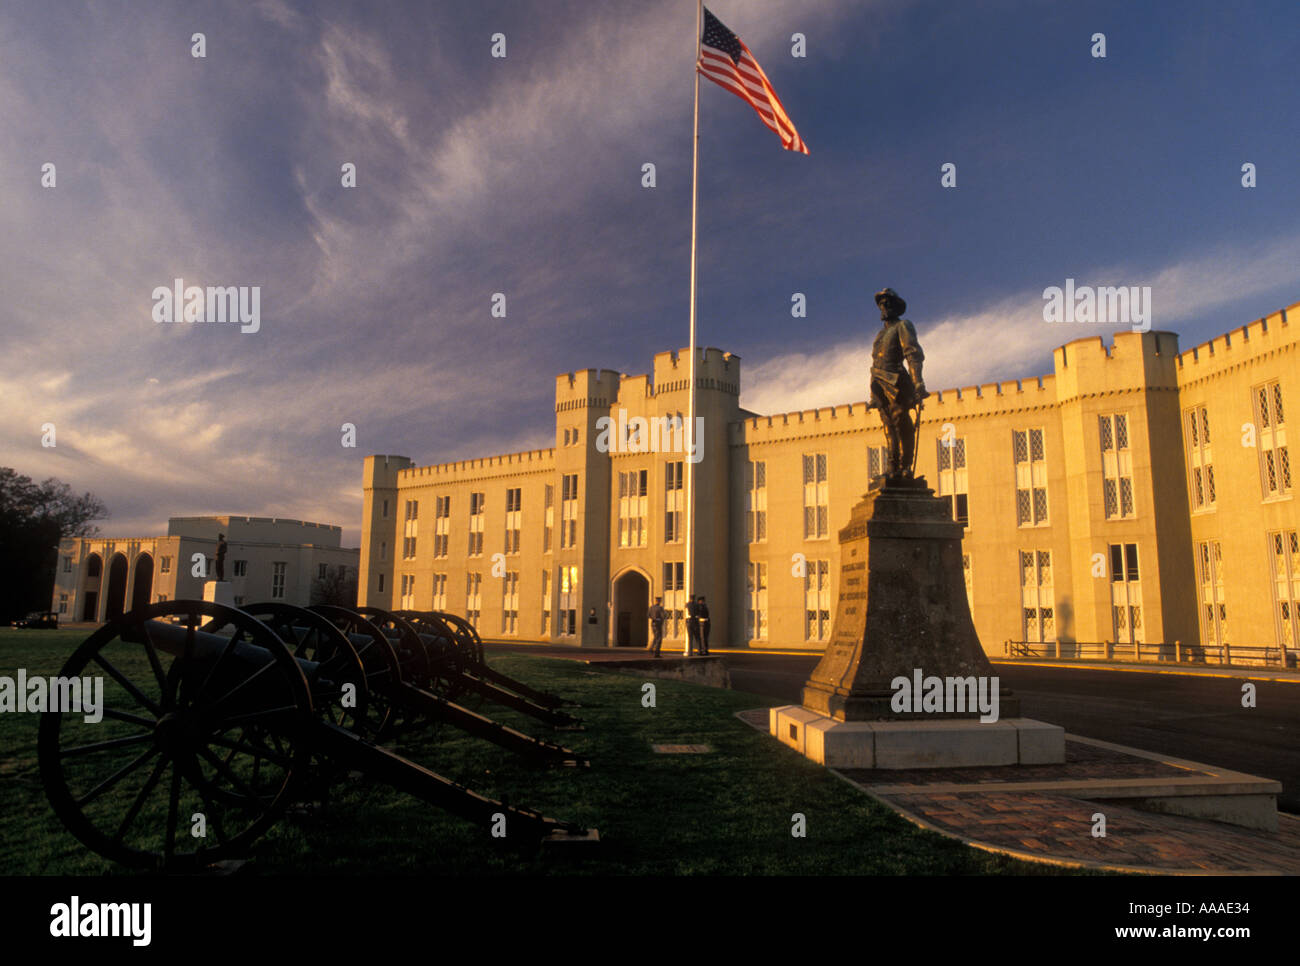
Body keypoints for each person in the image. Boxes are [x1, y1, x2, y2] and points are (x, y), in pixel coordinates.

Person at [868, 288, 928, 483]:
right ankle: (892, 467)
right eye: (882, 304)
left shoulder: (903, 326)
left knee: (901, 422)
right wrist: (872, 395)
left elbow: (913, 353)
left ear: (895, 307)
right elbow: (876, 362)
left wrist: (918, 381)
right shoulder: (879, 335)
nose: (884, 307)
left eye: (888, 303)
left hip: (897, 382)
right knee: (888, 427)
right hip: (879, 383)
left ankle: (905, 467)